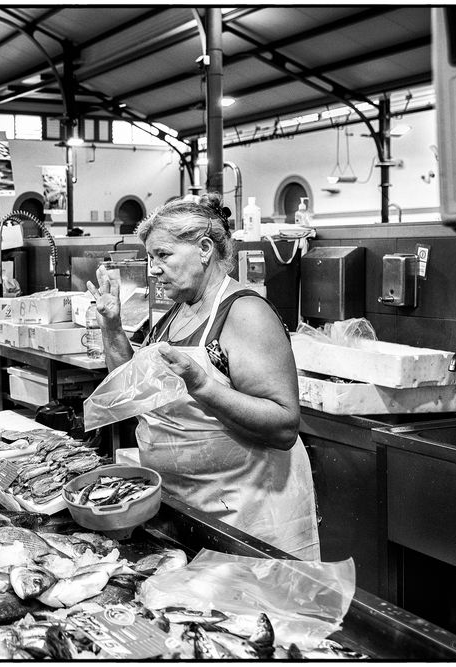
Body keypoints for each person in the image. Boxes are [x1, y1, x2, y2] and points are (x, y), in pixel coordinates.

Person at [87, 193, 319, 560]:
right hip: (188, 510)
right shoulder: (174, 314)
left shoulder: (245, 314)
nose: (152, 269)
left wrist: (202, 386)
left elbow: (284, 425)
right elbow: (131, 390)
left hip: (248, 519)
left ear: (205, 248)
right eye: (149, 258)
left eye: (162, 255)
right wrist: (111, 326)